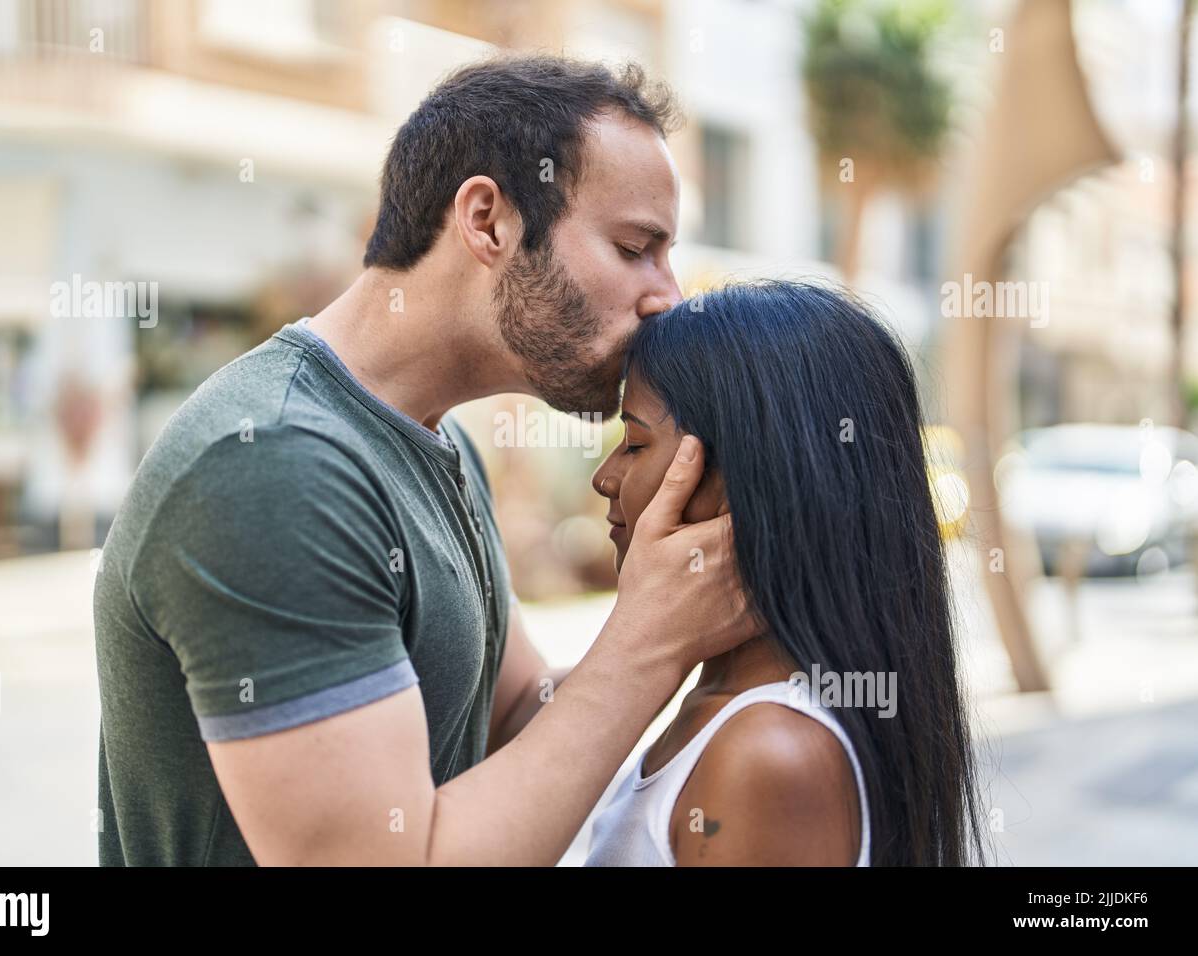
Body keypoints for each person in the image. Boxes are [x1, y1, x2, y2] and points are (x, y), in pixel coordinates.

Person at [93, 54, 756, 865]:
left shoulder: (435, 441)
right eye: (634, 247)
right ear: (486, 221)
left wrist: (697, 636)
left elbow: (513, 716)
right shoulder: (275, 464)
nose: (667, 295)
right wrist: (650, 643)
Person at [585, 281, 992, 866]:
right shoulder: (722, 699)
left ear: (737, 481)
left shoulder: (767, 753)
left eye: (632, 443)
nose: (604, 477)